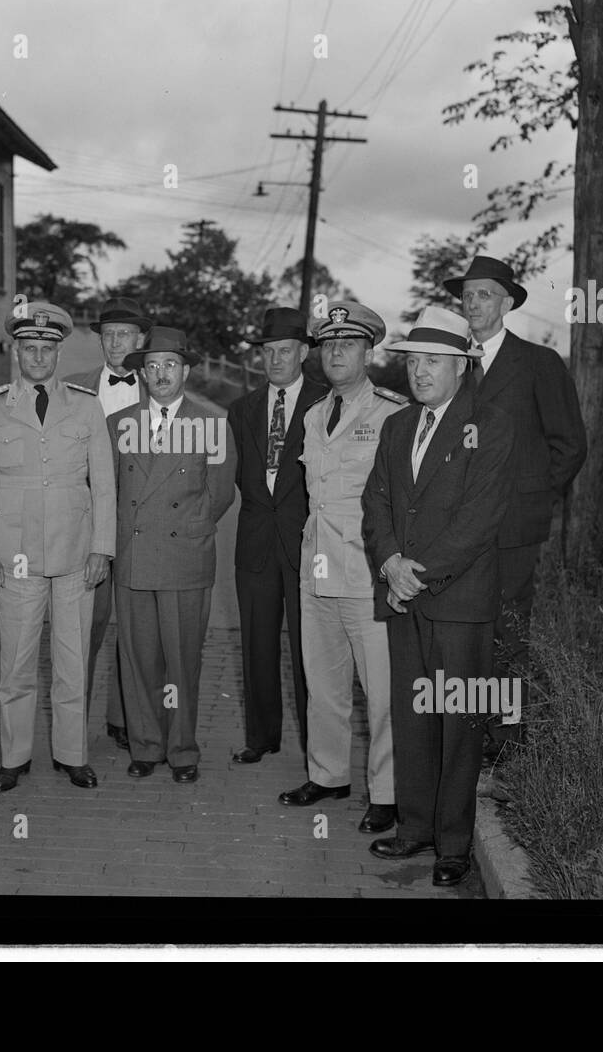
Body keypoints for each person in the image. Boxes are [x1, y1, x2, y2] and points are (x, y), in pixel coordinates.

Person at [361, 306, 514, 886]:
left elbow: (480, 520)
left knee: (458, 721)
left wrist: (416, 572)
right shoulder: (399, 425)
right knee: (413, 717)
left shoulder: (490, 424)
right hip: (405, 595)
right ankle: (414, 826)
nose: (421, 372)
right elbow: (375, 501)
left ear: (461, 366)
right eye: (414, 361)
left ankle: (453, 844)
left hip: (457, 600)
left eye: (434, 362)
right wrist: (389, 561)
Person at [0, 301, 116, 792]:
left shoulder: (86, 404)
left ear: (58, 352)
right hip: (15, 559)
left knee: (72, 664)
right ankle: (15, 756)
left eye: (47, 348)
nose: (38, 357)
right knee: (16, 665)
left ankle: (72, 754)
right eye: (29, 348)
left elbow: (105, 484)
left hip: (75, 556)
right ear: (16, 352)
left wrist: (102, 549)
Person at [277, 302, 408, 834]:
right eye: (329, 344)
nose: (335, 353)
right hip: (318, 570)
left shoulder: (392, 413)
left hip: (367, 572)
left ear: (368, 352)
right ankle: (328, 774)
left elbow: (402, 498)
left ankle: (388, 792)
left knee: (381, 693)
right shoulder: (311, 415)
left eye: (348, 344)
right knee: (324, 685)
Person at [447, 256, 586, 748]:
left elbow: (570, 444)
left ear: (507, 303)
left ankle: (506, 741)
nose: (473, 302)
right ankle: (464, 735)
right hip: (455, 528)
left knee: (507, 631)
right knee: (463, 630)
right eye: (467, 295)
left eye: (484, 294)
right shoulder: (449, 364)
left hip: (513, 528)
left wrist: (529, 496)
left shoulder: (538, 363)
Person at [109, 326, 237, 783]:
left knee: (182, 661)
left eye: (169, 365)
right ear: (142, 374)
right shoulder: (119, 423)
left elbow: (220, 495)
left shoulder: (211, 424)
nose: (160, 374)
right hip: (134, 557)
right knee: (138, 658)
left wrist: (188, 532)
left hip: (185, 559)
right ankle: (145, 745)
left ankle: (182, 749)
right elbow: (109, 490)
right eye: (151, 366)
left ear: (185, 370)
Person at [226, 307, 324, 763]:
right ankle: (262, 737)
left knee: (310, 651)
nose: (275, 360)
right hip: (256, 544)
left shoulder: (325, 404)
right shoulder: (241, 409)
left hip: (307, 544)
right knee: (258, 645)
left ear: (303, 353)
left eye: (285, 351)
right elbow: (239, 475)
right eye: (268, 352)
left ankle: (315, 744)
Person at [69, 297, 153, 752]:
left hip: (141, 531)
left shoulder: (160, 392)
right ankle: (72, 719)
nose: (116, 342)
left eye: (125, 334)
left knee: (136, 629)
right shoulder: (73, 389)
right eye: (108, 334)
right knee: (84, 626)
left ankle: (126, 719)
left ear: (141, 341)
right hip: (85, 531)